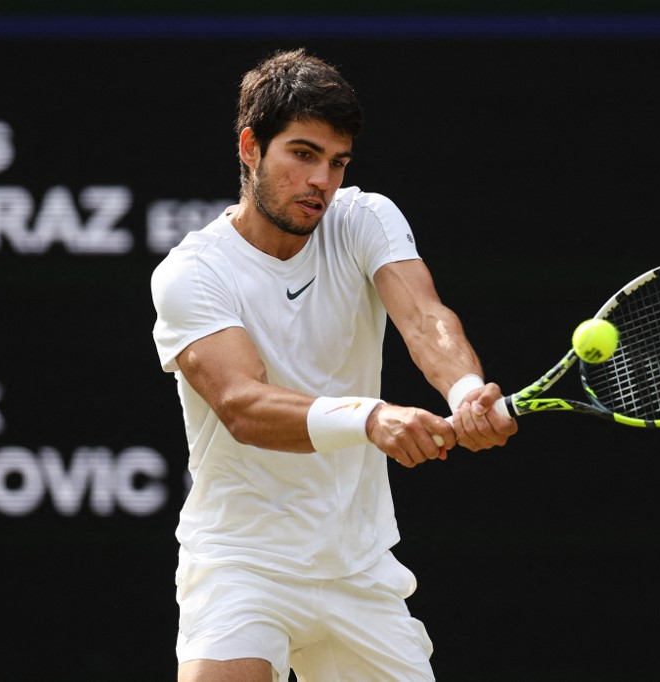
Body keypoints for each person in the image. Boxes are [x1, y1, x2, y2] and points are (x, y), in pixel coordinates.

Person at [151, 48, 517, 682]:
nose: (321, 179)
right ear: (250, 147)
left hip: (357, 567)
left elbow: (425, 319)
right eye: (302, 154)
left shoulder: (366, 219)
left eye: (337, 162)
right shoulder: (193, 271)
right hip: (243, 565)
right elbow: (242, 404)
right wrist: (368, 418)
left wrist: (464, 389)